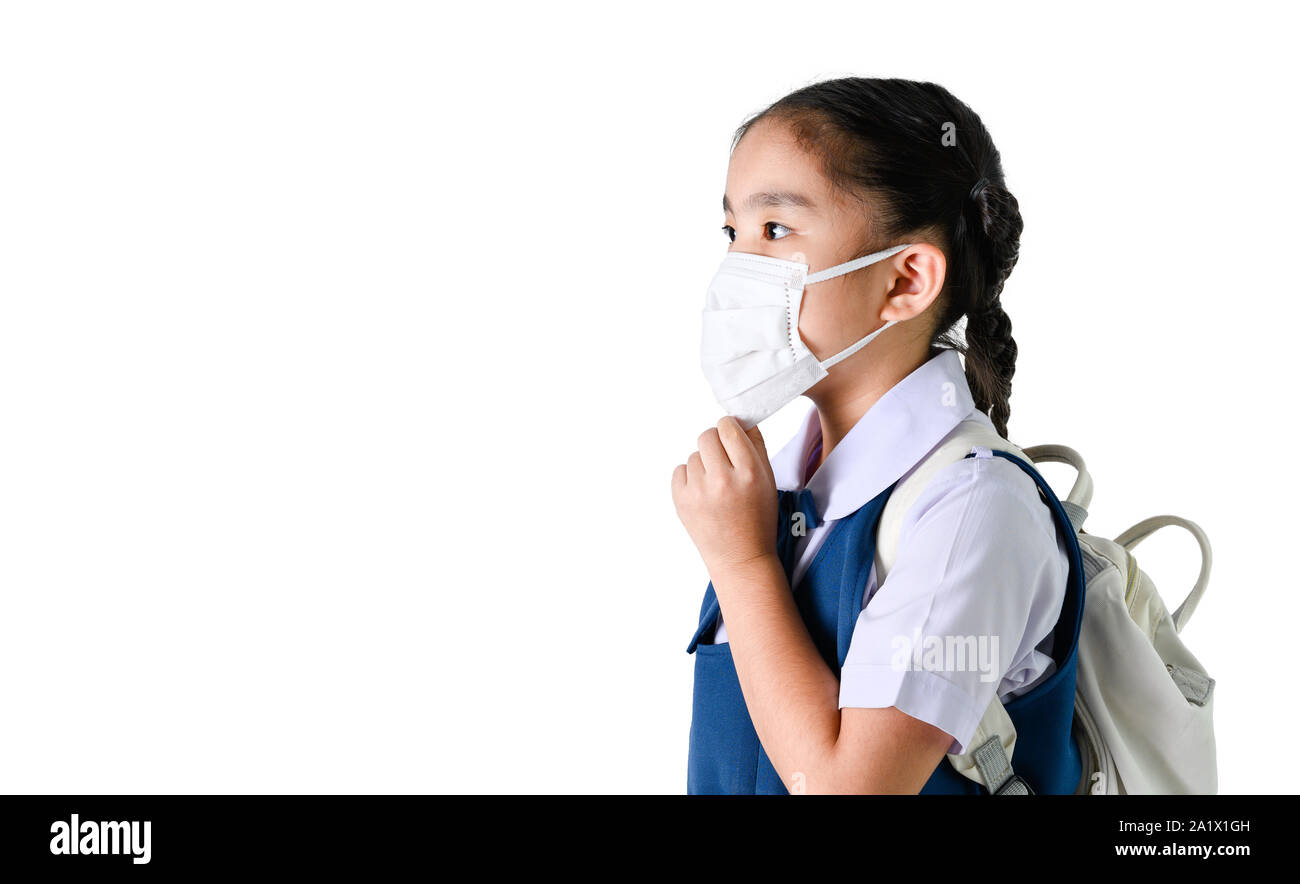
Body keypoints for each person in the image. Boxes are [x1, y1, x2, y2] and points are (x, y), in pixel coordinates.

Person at [672, 78, 1074, 794]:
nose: (737, 268)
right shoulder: (783, 491)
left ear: (906, 281)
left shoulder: (974, 508)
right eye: (732, 231)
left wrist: (741, 564)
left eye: (776, 230)